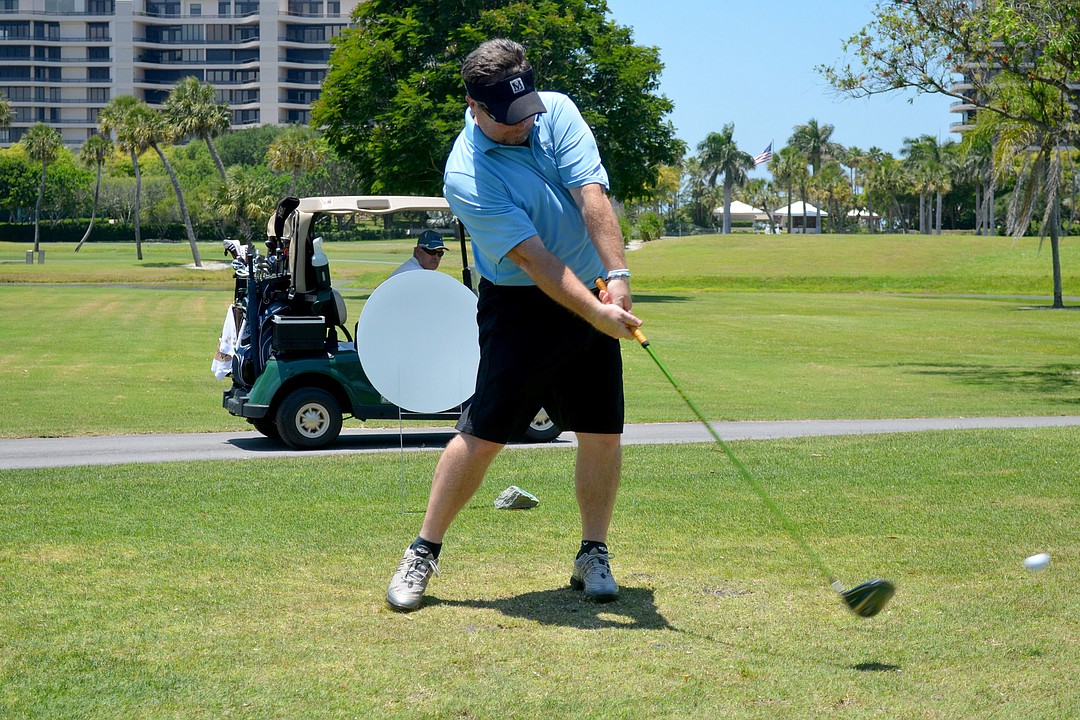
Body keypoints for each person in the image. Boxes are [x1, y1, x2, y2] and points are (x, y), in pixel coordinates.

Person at [386, 38, 642, 612]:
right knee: (482, 437)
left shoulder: (558, 111)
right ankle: (422, 551)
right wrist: (598, 311)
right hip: (520, 307)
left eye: (529, 114)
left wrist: (617, 275)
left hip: (590, 287)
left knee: (602, 430)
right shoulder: (466, 174)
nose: (524, 127)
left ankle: (592, 553)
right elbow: (533, 259)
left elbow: (592, 196)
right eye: (509, 121)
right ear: (475, 108)